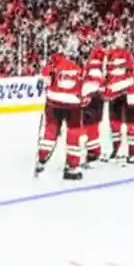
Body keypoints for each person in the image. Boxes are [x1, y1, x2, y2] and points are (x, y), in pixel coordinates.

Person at [37, 51, 86, 180]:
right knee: (73, 132)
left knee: (51, 130)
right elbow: (84, 87)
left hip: (54, 102)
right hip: (73, 104)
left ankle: (41, 158)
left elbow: (45, 82)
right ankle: (72, 166)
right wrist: (83, 100)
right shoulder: (77, 67)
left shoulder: (52, 65)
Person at [104, 44, 134, 161]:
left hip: (121, 93)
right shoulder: (109, 56)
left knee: (123, 123)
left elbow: (131, 73)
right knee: (116, 123)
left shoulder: (120, 55)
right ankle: (120, 150)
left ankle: (126, 150)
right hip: (118, 94)